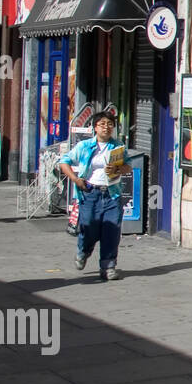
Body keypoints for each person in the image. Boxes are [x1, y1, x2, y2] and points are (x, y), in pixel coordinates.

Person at [57, 111, 134, 281]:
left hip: (112, 193)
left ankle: (108, 265)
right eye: (102, 124)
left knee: (111, 230)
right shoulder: (85, 146)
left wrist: (118, 169)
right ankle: (84, 250)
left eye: (110, 124)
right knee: (89, 226)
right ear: (95, 127)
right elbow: (64, 161)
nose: (106, 128)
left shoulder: (118, 146)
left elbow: (128, 166)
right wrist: (76, 179)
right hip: (90, 192)